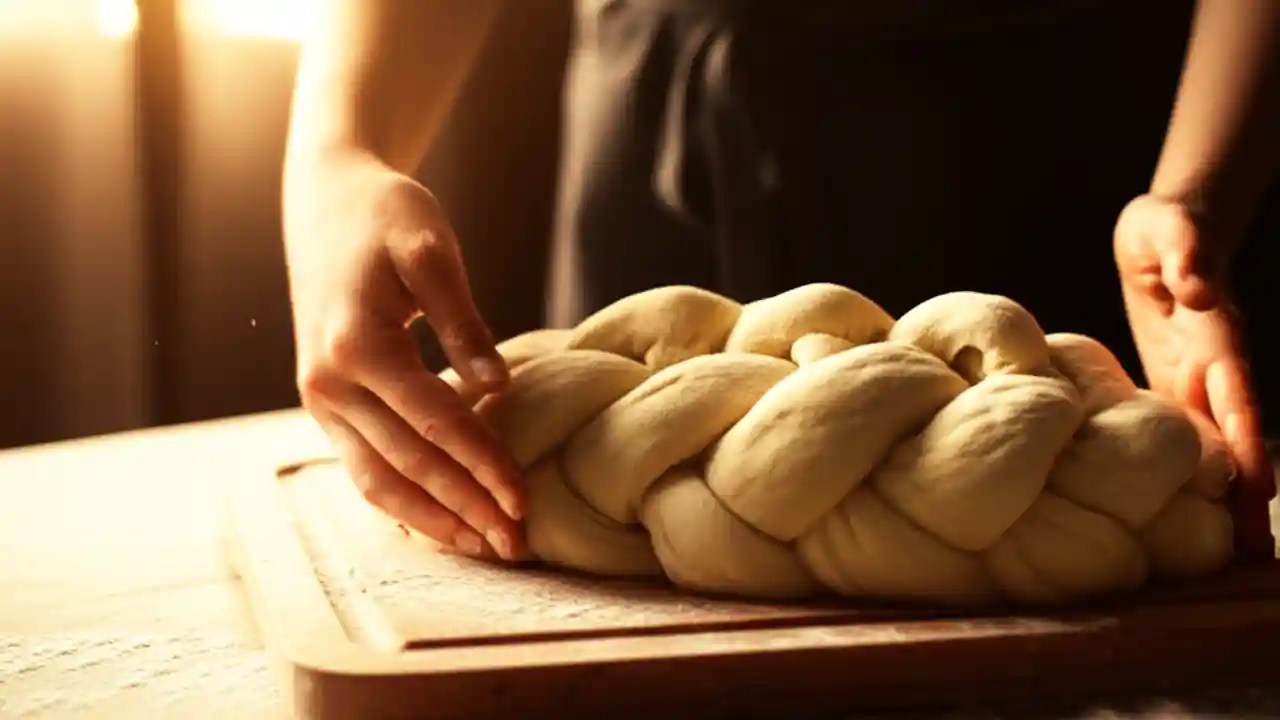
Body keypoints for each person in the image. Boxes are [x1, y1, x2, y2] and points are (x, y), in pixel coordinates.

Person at [280, 0, 1279, 565]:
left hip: (1058, 135)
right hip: (662, 124)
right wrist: (336, 155)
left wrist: (1193, 192)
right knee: (617, 515)